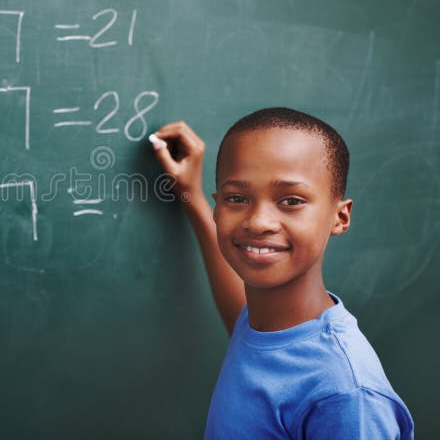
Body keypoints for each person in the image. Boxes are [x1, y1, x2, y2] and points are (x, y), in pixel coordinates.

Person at [150, 108, 414, 438]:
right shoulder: (265, 325)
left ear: (340, 217)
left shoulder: (345, 395)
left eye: (291, 200)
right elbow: (243, 320)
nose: (259, 222)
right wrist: (190, 194)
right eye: (236, 198)